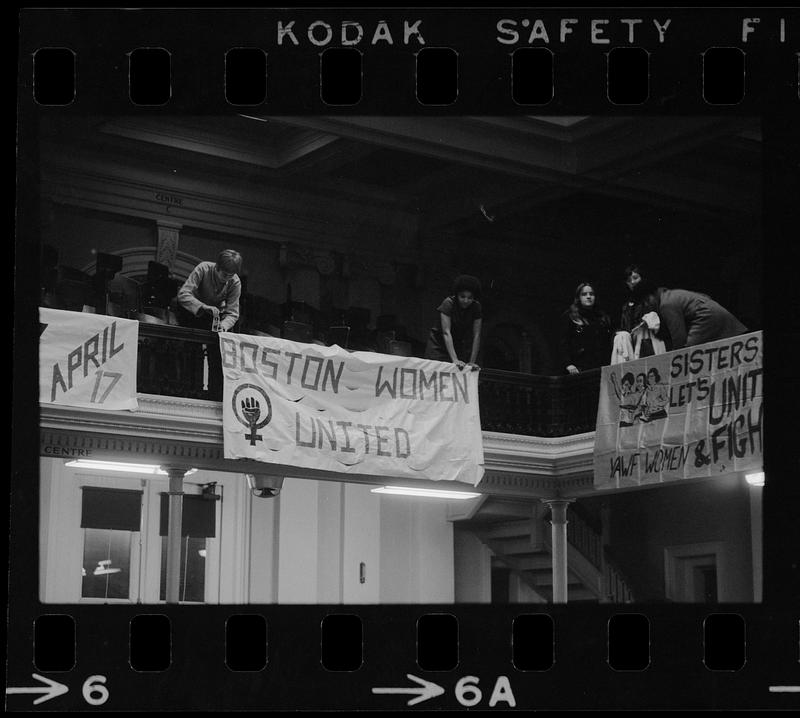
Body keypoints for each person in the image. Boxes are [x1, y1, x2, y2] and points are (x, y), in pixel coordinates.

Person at [176, 249, 243, 399]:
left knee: (217, 353)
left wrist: (224, 326)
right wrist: (203, 307)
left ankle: (215, 395)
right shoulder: (203, 268)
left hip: (213, 318)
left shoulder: (235, 282)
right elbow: (183, 294)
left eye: (230, 276)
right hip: (190, 313)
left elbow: (233, 312)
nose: (226, 279)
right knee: (191, 351)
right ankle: (187, 391)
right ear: (217, 267)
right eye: (224, 275)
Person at [641, 286, 747, 350]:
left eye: (647, 301)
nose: (648, 305)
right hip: (714, 311)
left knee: (689, 353)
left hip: (706, 315)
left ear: (652, 296)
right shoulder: (669, 295)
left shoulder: (666, 304)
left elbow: (679, 338)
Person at [425, 275, 483, 370]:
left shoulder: (476, 307)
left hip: (457, 345)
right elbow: (446, 332)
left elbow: (477, 335)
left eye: (470, 298)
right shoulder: (448, 303)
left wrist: (472, 361)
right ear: (457, 295)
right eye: (462, 296)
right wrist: (455, 360)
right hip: (438, 346)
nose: (466, 300)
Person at [559, 282, 613, 374]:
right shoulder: (570, 316)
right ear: (578, 297)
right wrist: (568, 364)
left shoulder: (602, 317)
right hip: (578, 368)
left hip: (601, 366)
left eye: (591, 294)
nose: (588, 297)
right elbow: (563, 342)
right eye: (584, 294)